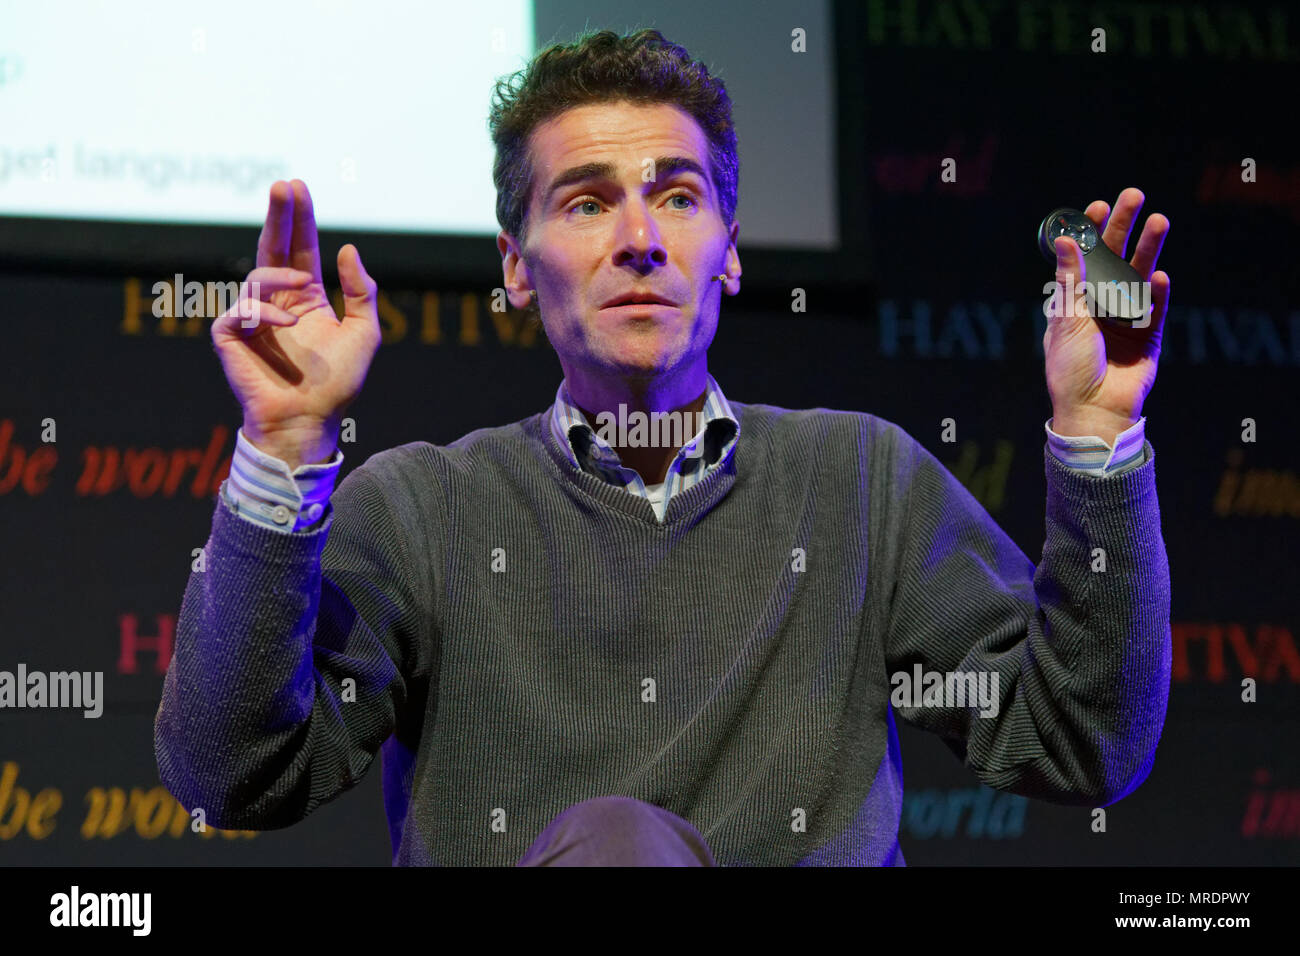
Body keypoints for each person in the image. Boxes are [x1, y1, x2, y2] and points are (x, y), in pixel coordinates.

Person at [154, 29, 1173, 866]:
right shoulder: (427, 509)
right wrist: (282, 448)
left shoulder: (860, 481)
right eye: (588, 201)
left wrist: (1097, 436)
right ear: (515, 267)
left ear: (729, 254)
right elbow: (228, 770)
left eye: (678, 197)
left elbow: (1081, 741)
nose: (640, 237)